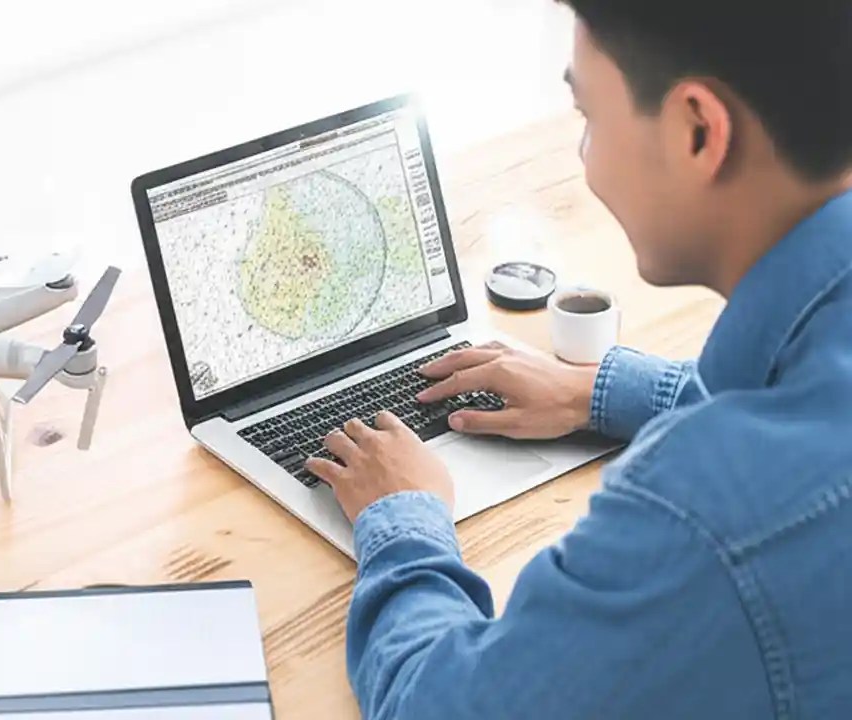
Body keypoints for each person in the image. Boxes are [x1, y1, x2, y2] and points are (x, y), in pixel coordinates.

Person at [303, 1, 852, 717]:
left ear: (697, 131)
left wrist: (402, 517)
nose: (585, 159)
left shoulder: (699, 527)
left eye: (588, 118)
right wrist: (599, 391)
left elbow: (434, 708)